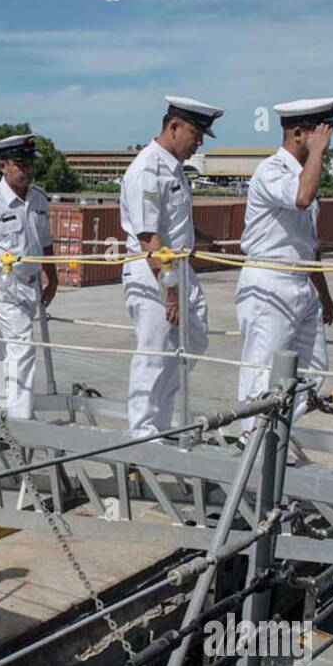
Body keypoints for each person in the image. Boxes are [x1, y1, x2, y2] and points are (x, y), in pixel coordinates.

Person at [235, 97, 333, 435]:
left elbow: (310, 245)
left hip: (300, 284)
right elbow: (300, 198)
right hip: (269, 282)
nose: (327, 141)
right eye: (321, 134)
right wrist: (318, 154)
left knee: (313, 370)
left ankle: (274, 434)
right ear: (300, 133)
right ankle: (251, 438)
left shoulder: (304, 174)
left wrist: (323, 294)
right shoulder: (271, 171)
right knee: (263, 368)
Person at [119, 96, 221, 439]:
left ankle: (158, 425)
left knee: (192, 342)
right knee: (154, 355)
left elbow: (173, 225)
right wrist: (171, 292)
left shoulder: (173, 168)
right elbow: (150, 238)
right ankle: (142, 434)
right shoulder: (147, 169)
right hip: (154, 277)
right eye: (195, 132)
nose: (199, 142)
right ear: (173, 127)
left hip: (175, 270)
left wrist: (205, 241)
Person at [0, 134, 56, 420]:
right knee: (23, 346)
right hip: (2, 287)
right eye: (21, 164)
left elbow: (45, 243)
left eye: (30, 164)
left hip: (30, 287)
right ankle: (18, 417)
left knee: (6, 347)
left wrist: (51, 278)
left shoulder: (39, 198)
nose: (27, 170)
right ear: (2, 166)